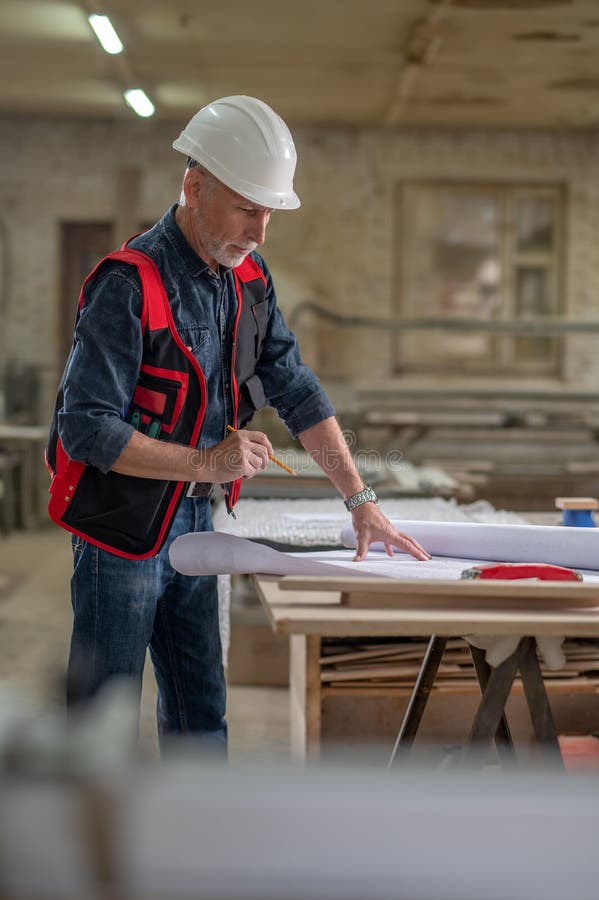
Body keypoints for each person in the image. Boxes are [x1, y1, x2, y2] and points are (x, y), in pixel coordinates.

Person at [47, 95, 430, 753]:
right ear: (194, 188)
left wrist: (360, 501)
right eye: (246, 209)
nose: (258, 232)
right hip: (119, 535)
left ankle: (195, 846)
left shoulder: (246, 277)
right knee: (98, 728)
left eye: (267, 214)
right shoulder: (128, 284)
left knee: (201, 714)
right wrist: (205, 463)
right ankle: (85, 852)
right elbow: (86, 429)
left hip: (199, 528)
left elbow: (296, 390)